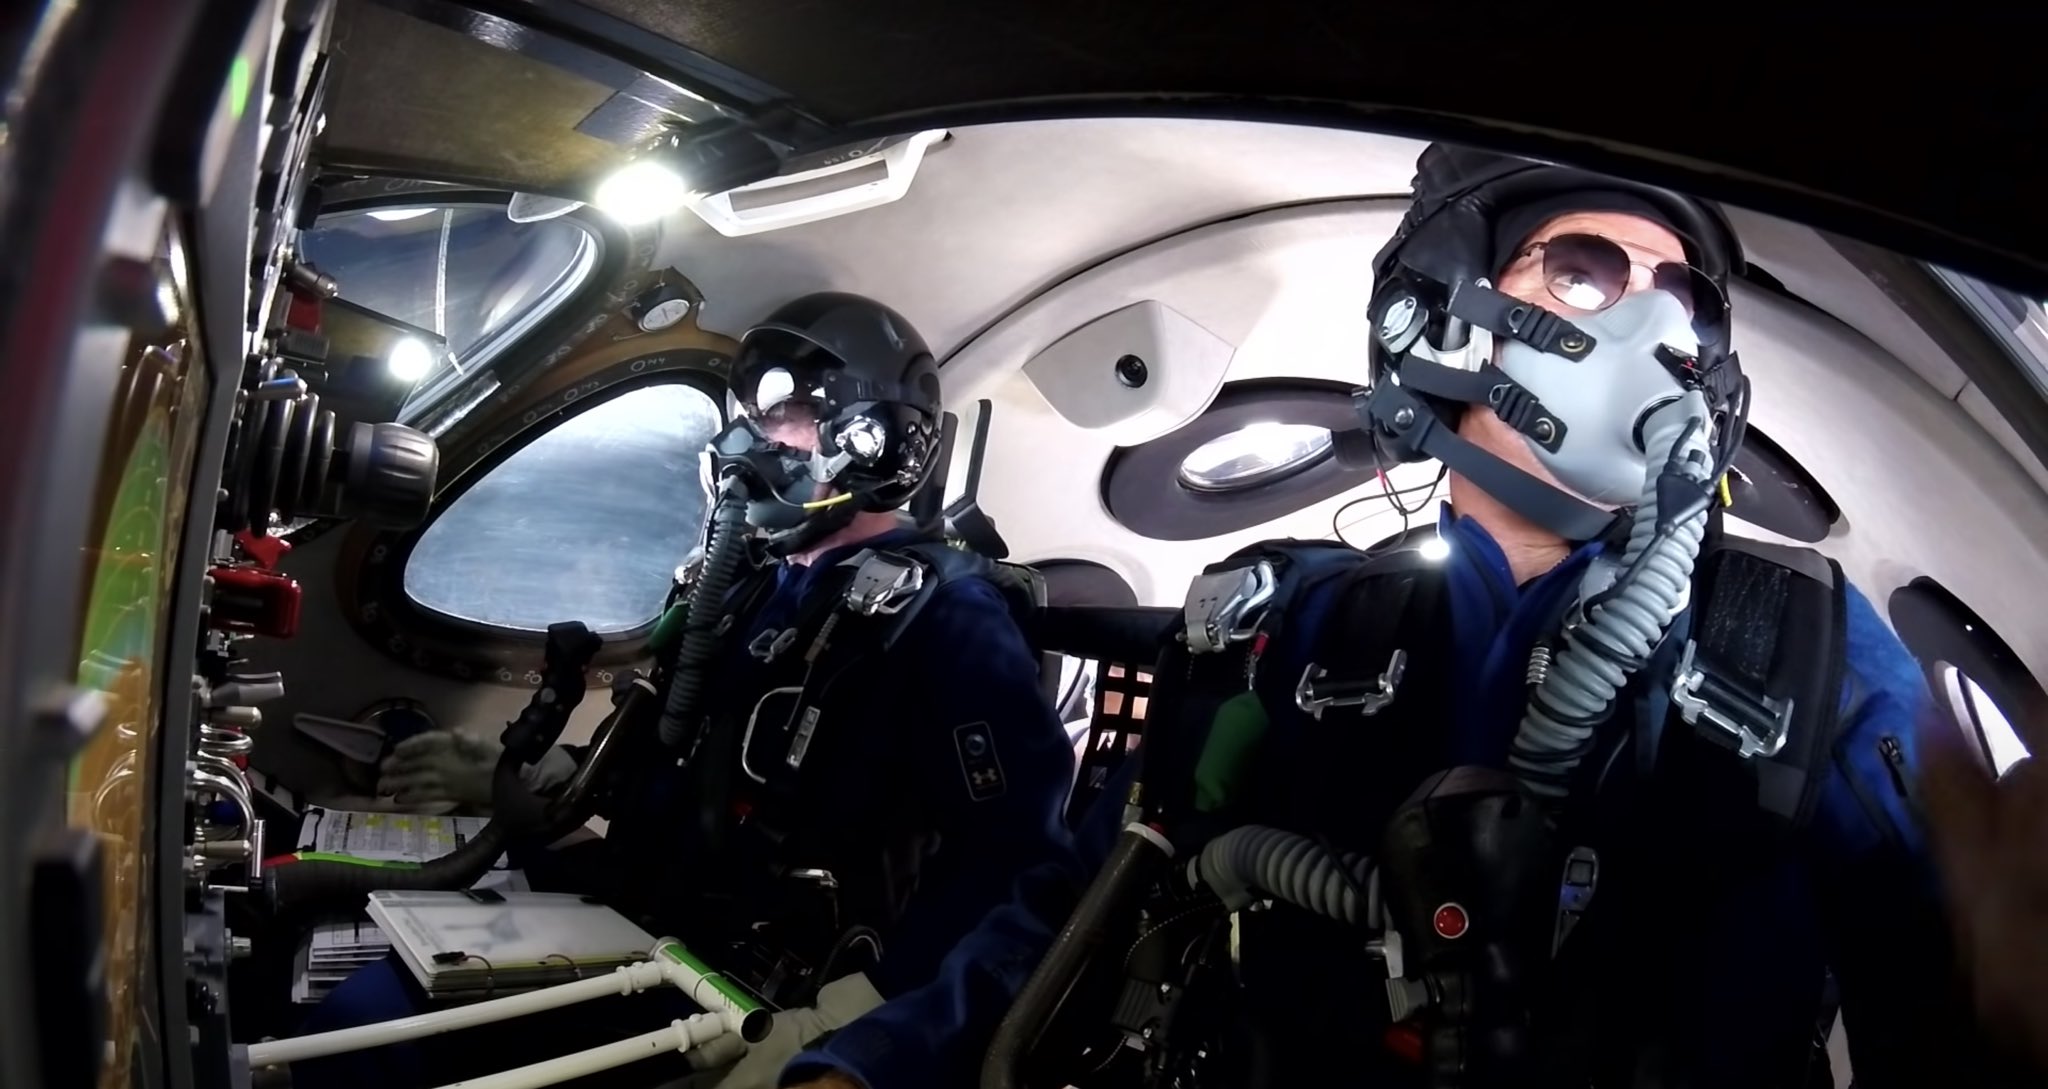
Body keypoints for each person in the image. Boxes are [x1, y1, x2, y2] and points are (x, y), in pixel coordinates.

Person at [969, 144, 2009, 1089]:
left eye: (1681, 297)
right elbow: (1074, 913)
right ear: (1443, 318)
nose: (1658, 329)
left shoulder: (1803, 644)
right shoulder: (1290, 622)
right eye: (1585, 272)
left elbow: (1965, 1014)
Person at [297, 292, 1079, 1089]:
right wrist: (532, 773)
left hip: (774, 989)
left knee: (363, 1034)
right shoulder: (753, 586)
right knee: (343, 1010)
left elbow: (1023, 874)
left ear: (871, 437)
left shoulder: (947, 615)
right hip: (648, 920)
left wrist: (866, 1037)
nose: (745, 437)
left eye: (783, 412)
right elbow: (680, 756)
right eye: (746, 411)